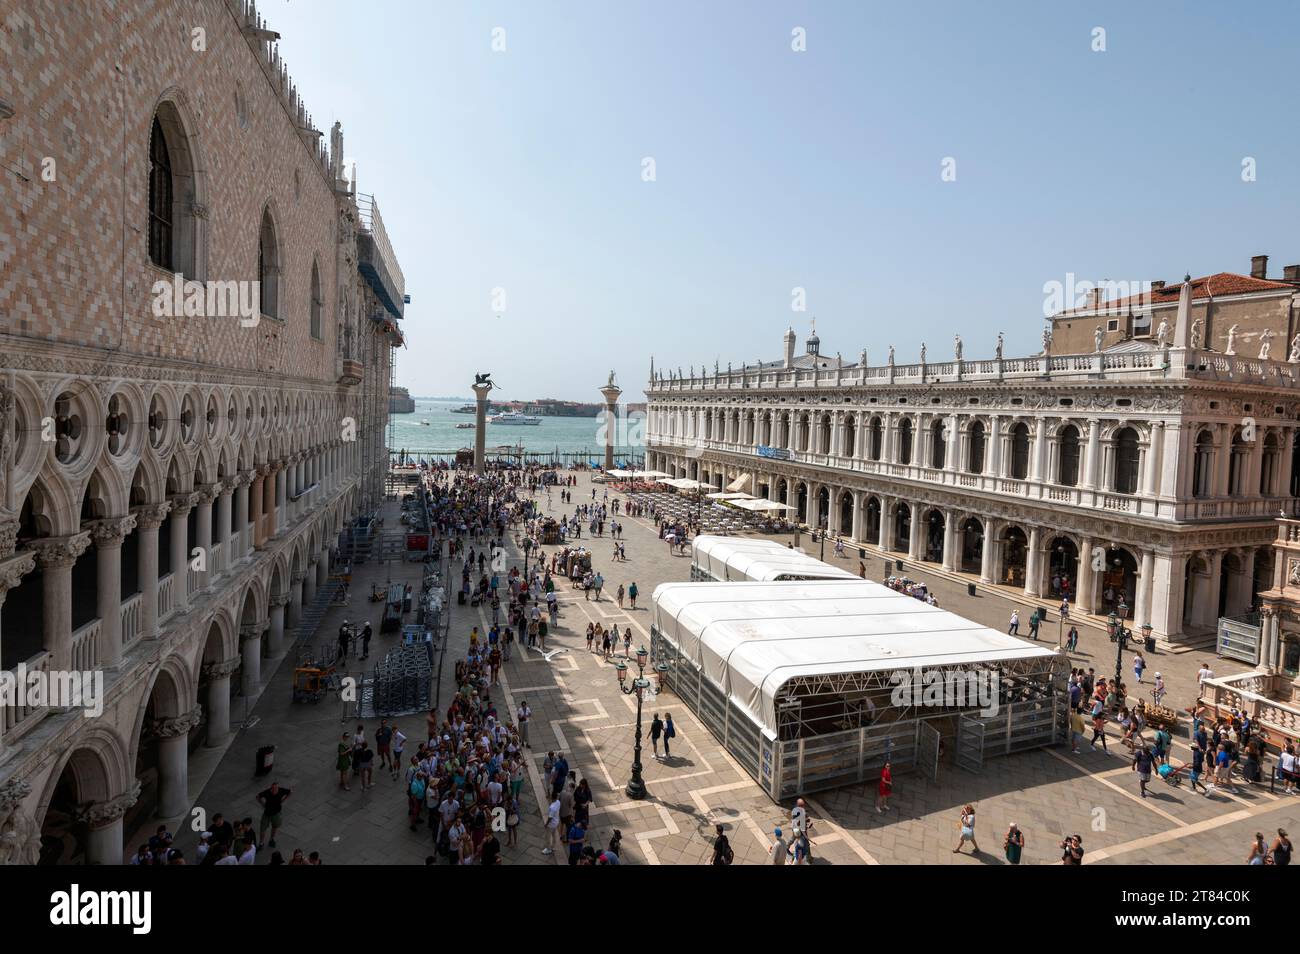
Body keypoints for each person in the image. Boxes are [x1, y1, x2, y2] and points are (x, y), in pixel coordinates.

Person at [256, 781, 291, 848]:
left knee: (275, 826)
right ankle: (261, 842)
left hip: (276, 813)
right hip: (267, 814)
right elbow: (258, 796)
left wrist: (283, 800)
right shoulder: (267, 792)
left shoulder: (281, 790)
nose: (274, 790)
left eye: (276, 789)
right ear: (271, 788)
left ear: (278, 788)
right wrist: (262, 803)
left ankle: (271, 839)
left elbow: (290, 792)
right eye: (273, 789)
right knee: (262, 829)